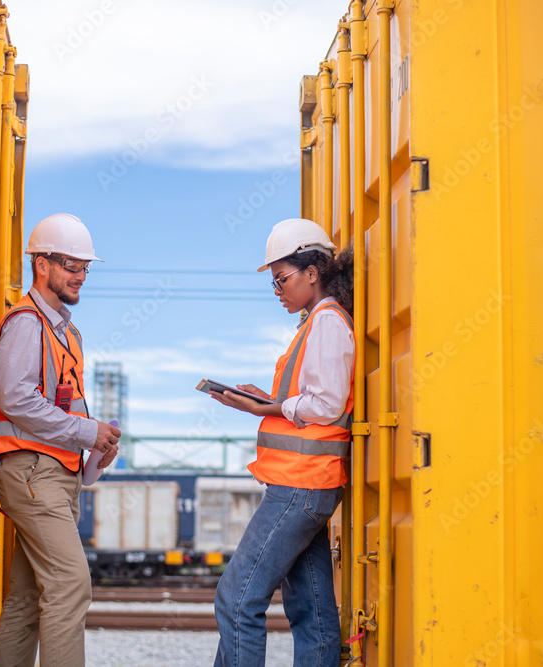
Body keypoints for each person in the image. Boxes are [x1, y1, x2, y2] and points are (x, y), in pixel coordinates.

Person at [211, 218, 355, 667]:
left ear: (313, 272)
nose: (277, 291)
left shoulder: (327, 323)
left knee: (236, 599)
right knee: (310, 610)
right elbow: (311, 399)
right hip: (308, 486)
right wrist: (271, 400)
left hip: (300, 487)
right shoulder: (317, 322)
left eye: (282, 279)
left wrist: (267, 408)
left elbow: (327, 403)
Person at [0, 213, 121, 667]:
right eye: (71, 265)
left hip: (53, 475)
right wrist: (89, 431)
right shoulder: (27, 323)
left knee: (28, 600)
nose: (81, 276)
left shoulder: (67, 333)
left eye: (86, 267)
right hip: (31, 474)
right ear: (41, 265)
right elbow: (17, 399)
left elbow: (64, 410)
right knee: (70, 585)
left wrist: (96, 452)